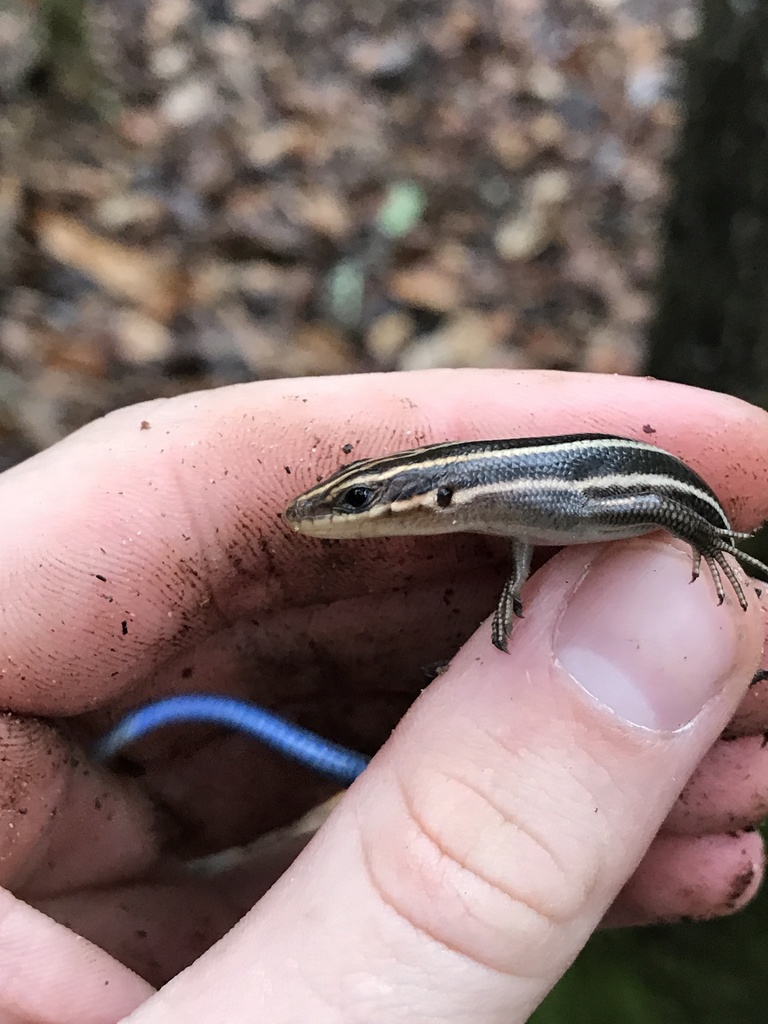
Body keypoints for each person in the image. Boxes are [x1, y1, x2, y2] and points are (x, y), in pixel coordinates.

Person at [0, 368, 766, 1024]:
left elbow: (651, 501)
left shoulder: (526, 489)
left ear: (428, 498)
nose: (328, 521)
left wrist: (705, 546)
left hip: (678, 508)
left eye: (359, 501)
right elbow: (533, 529)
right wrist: (516, 589)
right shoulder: (500, 499)